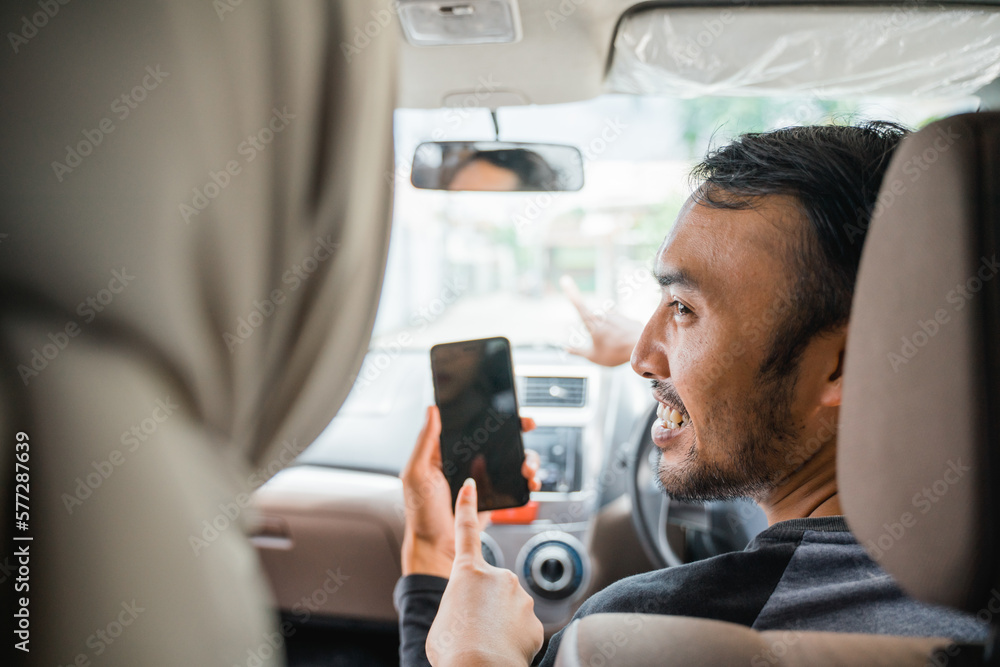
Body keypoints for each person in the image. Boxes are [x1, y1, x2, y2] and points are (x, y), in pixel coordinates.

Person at [395, 122, 990, 667]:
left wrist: (474, 653)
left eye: (683, 309)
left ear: (840, 365)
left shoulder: (644, 637)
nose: (641, 357)